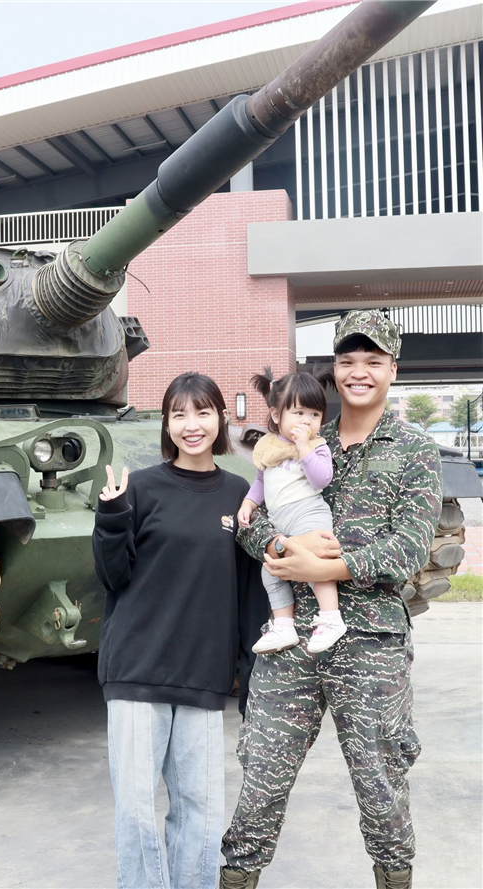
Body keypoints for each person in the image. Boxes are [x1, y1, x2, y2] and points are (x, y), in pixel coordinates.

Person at [220, 311, 442, 889]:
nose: (359, 372)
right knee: (259, 782)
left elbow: (409, 548)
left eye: (373, 361)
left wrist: (323, 567)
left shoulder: (414, 450)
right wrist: (275, 544)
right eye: (348, 361)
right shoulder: (301, 432)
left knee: (381, 783)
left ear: (393, 369)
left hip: (370, 642)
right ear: (334, 370)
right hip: (288, 640)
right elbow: (250, 521)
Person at [92, 371, 267, 889]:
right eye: (179, 414)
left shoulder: (240, 493)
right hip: (138, 667)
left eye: (203, 412)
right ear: (167, 423)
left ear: (220, 418)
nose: (192, 425)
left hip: (204, 673)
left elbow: (250, 593)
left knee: (201, 811)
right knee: (139, 809)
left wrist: (250, 675)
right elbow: (111, 576)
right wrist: (111, 515)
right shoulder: (139, 486)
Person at [238, 368, 346, 655]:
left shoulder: (317, 446)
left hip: (307, 514)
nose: (307, 421)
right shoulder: (268, 448)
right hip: (279, 520)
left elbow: (321, 479)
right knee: (271, 571)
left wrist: (303, 449)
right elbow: (261, 481)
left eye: (314, 414)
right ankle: (283, 625)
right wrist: (249, 503)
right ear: (276, 416)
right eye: (298, 413)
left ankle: (331, 618)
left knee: (315, 567)